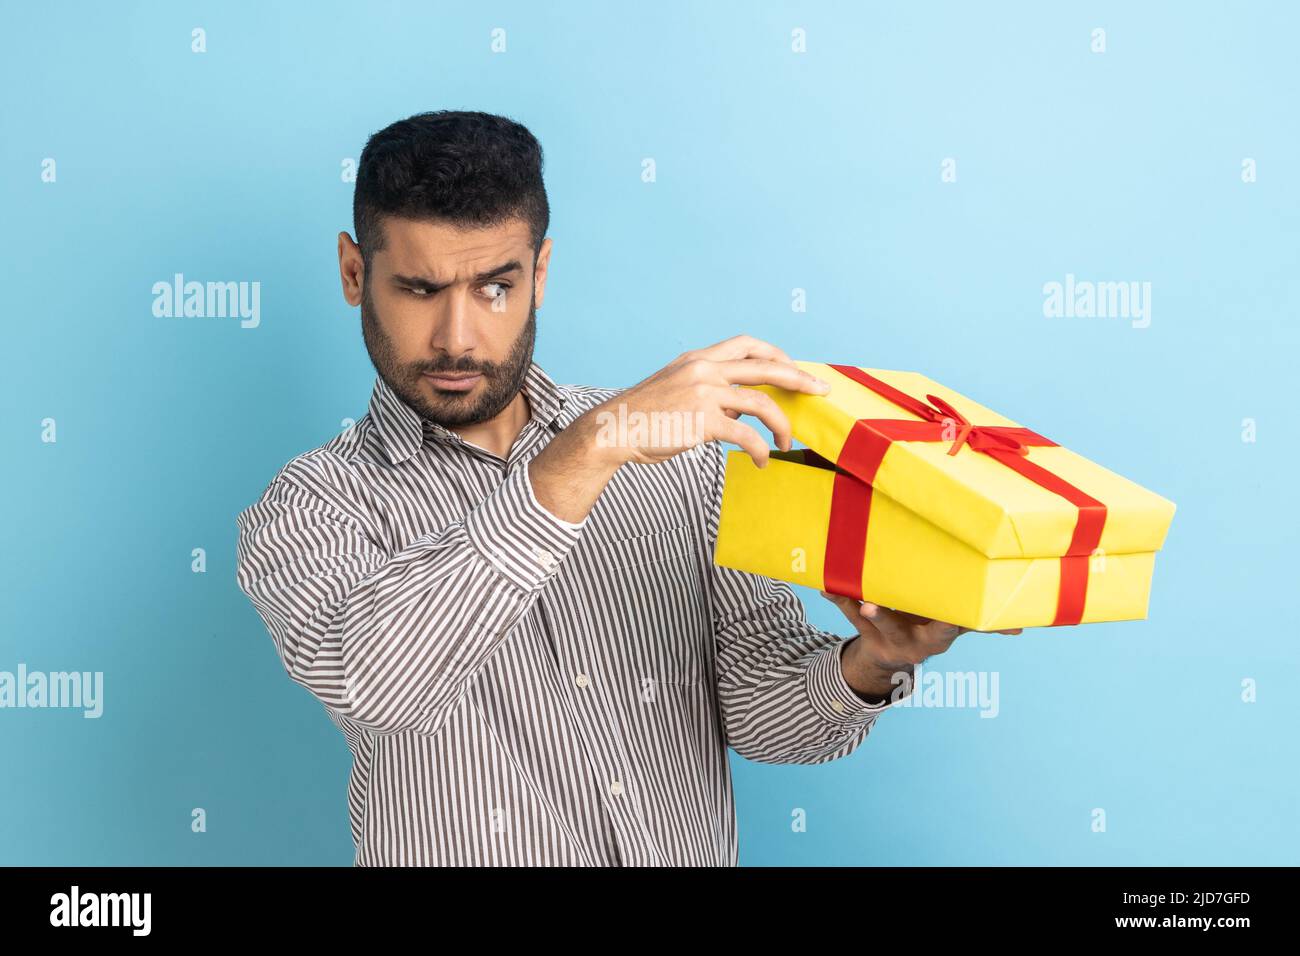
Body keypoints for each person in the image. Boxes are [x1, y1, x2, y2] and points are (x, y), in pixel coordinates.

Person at [234, 110, 1015, 866]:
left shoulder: (680, 463)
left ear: (540, 274)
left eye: (495, 287)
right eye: (418, 289)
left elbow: (759, 712)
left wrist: (872, 662)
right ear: (352, 273)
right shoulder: (308, 508)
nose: (457, 337)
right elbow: (379, 685)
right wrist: (588, 453)